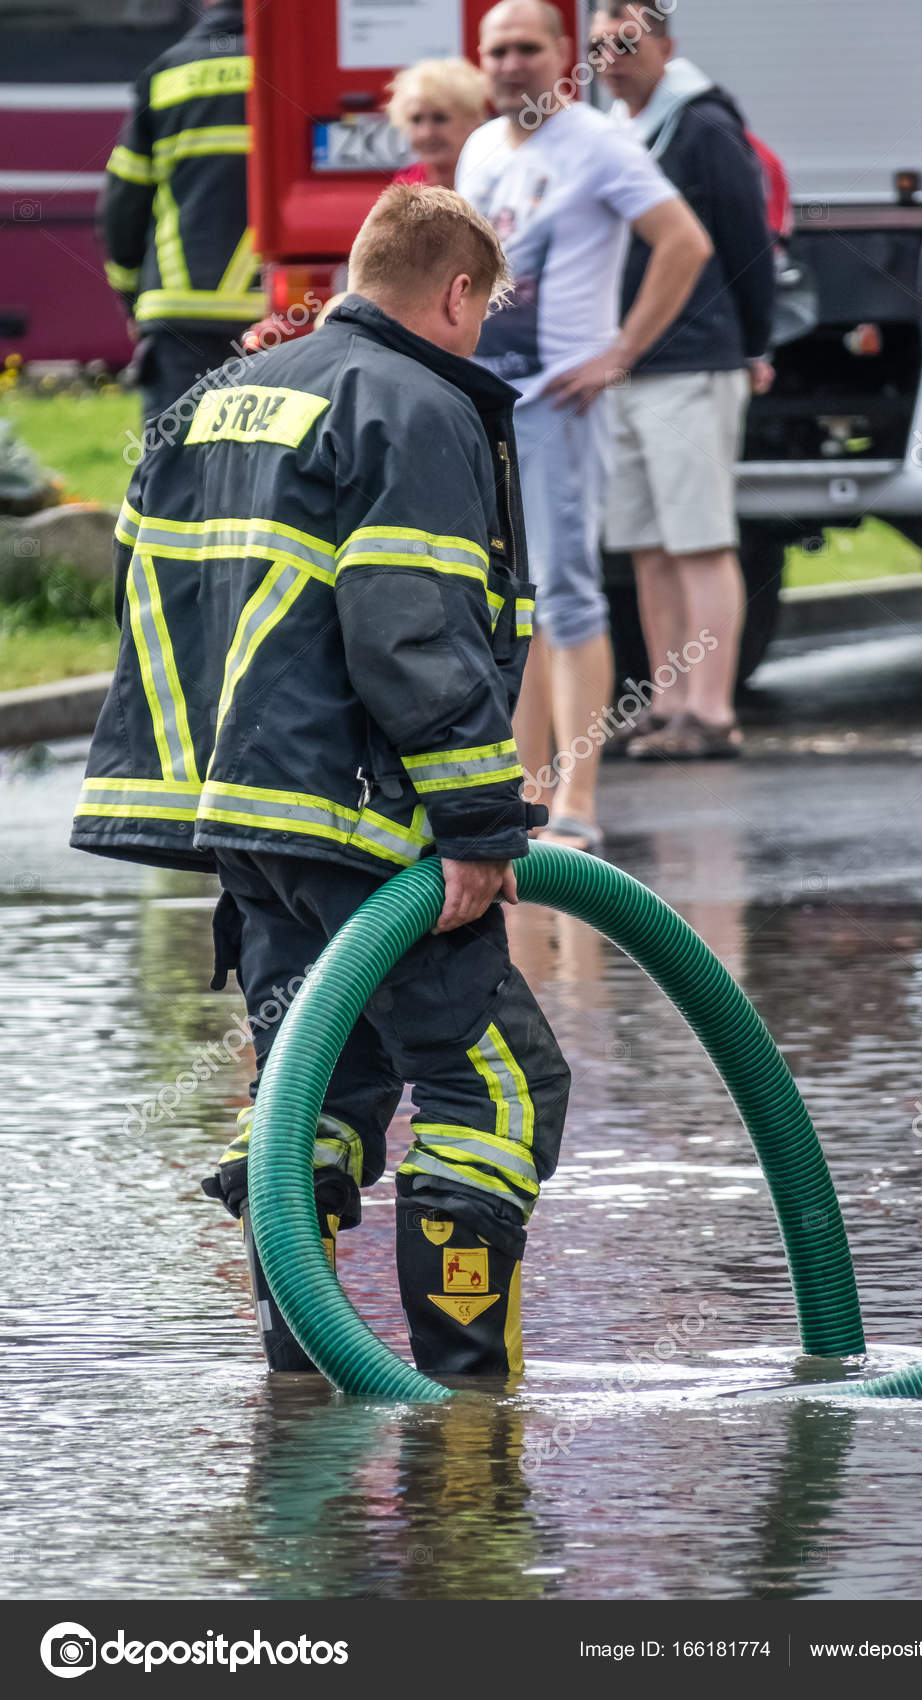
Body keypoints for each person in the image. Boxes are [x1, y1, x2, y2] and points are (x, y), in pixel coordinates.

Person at [70, 185, 571, 1381]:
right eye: (481, 310)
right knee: (496, 1085)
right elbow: (412, 623)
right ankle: (458, 1400)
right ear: (456, 292)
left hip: (241, 820)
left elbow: (165, 605)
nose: (479, 336)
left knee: (319, 1078)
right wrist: (475, 820)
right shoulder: (416, 404)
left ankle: (301, 1368)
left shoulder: (208, 399)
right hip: (357, 818)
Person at [456, 0, 711, 852]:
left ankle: (577, 802)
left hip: (558, 407)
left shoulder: (599, 143)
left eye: (529, 48)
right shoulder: (482, 149)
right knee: (505, 604)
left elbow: (683, 243)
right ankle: (528, 798)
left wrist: (619, 353)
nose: (512, 64)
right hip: (483, 407)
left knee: (565, 595)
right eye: (498, 50)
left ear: (561, 54)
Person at [592, 1, 777, 760]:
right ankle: (667, 705)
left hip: (695, 362)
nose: (612, 55)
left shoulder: (700, 127)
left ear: (667, 46)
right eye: (600, 43)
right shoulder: (616, 131)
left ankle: (711, 709)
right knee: (646, 547)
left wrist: (754, 344)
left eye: (628, 41)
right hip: (628, 368)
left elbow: (746, 242)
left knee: (699, 541)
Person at [99, 0, 265, 430]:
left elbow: (124, 200)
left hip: (180, 312)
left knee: (174, 473)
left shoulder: (165, 73)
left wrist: (129, 294)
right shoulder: (295, 66)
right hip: (280, 310)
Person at [387, 57, 489, 188]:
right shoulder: (405, 184)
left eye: (440, 118)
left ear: (474, 121)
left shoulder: (494, 178)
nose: (426, 133)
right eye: (416, 119)